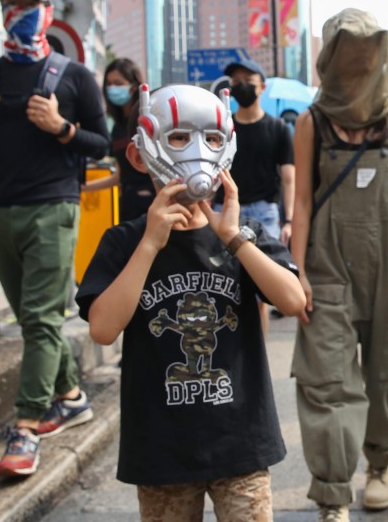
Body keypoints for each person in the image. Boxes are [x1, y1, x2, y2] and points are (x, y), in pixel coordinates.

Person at [78, 84, 304, 522]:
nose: (195, 151)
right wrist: (149, 245)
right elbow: (103, 329)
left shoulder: (244, 232)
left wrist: (234, 238)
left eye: (211, 138)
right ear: (141, 155)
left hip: (241, 442)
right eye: (178, 138)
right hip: (162, 449)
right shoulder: (124, 241)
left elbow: (293, 300)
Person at [0, 0, 109, 478]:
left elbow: (102, 143)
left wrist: (62, 128)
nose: (16, 12)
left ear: (47, 11)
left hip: (52, 205)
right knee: (31, 319)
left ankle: (26, 426)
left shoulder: (72, 76)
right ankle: (69, 397)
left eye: (27, 4)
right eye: (8, 2)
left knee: (43, 317)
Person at [289, 8, 388, 522]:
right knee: (327, 383)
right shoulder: (312, 122)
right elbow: (301, 202)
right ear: (330, 59)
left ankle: (379, 468)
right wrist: (296, 272)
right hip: (326, 270)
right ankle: (332, 494)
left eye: (366, 55)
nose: (359, 64)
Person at [221, 58, 295, 327]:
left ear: (262, 87)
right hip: (225, 211)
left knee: (262, 293)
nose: (242, 87)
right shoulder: (223, 127)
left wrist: (288, 220)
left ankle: (257, 363)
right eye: (236, 83)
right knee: (226, 286)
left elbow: (289, 178)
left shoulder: (277, 128)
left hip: (265, 213)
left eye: (248, 82)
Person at [81, 58, 156, 222]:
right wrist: (83, 188)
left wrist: (149, 190)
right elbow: (119, 176)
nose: (112, 88)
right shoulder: (117, 126)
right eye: (108, 83)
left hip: (151, 205)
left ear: (134, 85)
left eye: (118, 83)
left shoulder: (148, 119)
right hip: (128, 205)